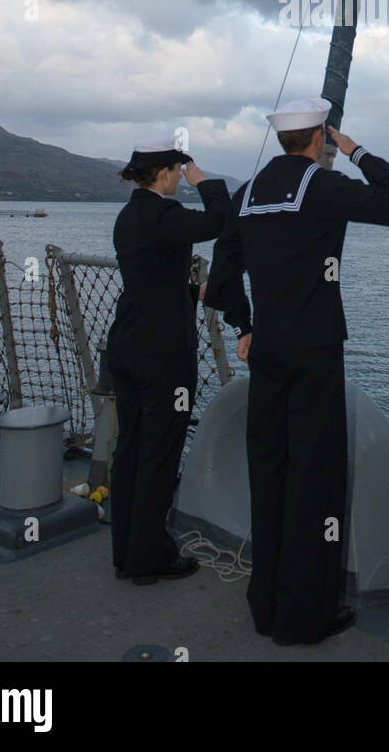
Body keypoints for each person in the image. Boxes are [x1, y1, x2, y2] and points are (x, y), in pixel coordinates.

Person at [205, 98, 389, 644]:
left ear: (280, 139)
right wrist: (355, 148)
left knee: (270, 469)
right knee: (314, 477)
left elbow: (223, 275)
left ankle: (267, 600)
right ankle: (306, 614)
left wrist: (244, 324)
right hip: (315, 349)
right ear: (320, 137)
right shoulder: (320, 188)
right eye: (328, 138)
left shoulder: (246, 194)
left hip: (269, 351)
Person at [107, 138, 230, 585]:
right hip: (163, 355)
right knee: (160, 452)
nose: (182, 177)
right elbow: (220, 219)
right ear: (163, 173)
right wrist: (206, 180)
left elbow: (149, 277)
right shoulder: (165, 213)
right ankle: (150, 558)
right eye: (179, 171)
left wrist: (190, 293)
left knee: (131, 448)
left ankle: (127, 551)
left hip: (127, 344)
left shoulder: (129, 216)